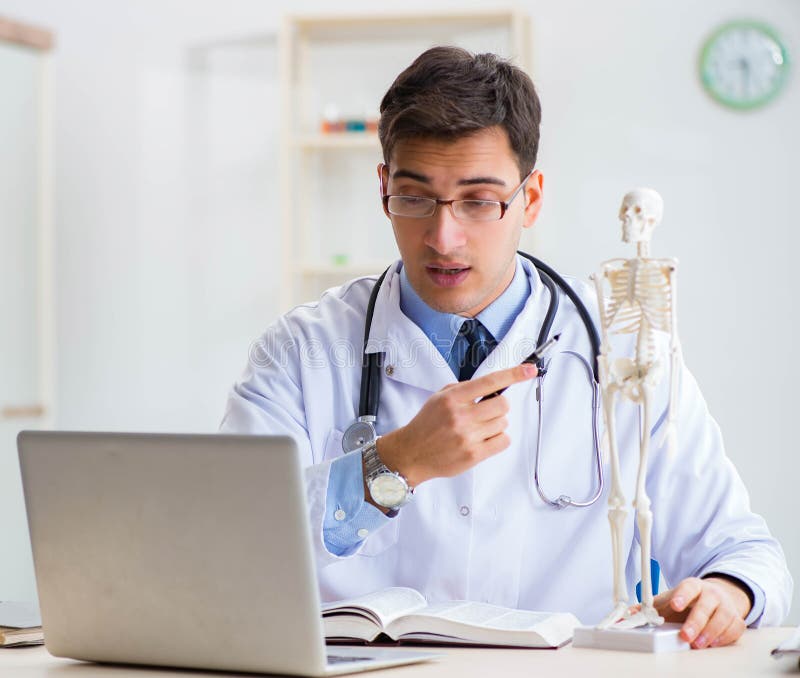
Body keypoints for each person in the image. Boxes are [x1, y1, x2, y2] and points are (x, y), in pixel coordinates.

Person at [220, 46, 792, 649]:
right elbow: (225, 546)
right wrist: (392, 464)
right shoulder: (302, 350)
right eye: (415, 197)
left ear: (532, 198)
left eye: (478, 201)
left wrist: (729, 591)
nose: (444, 237)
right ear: (384, 188)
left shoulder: (624, 350)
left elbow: (746, 551)